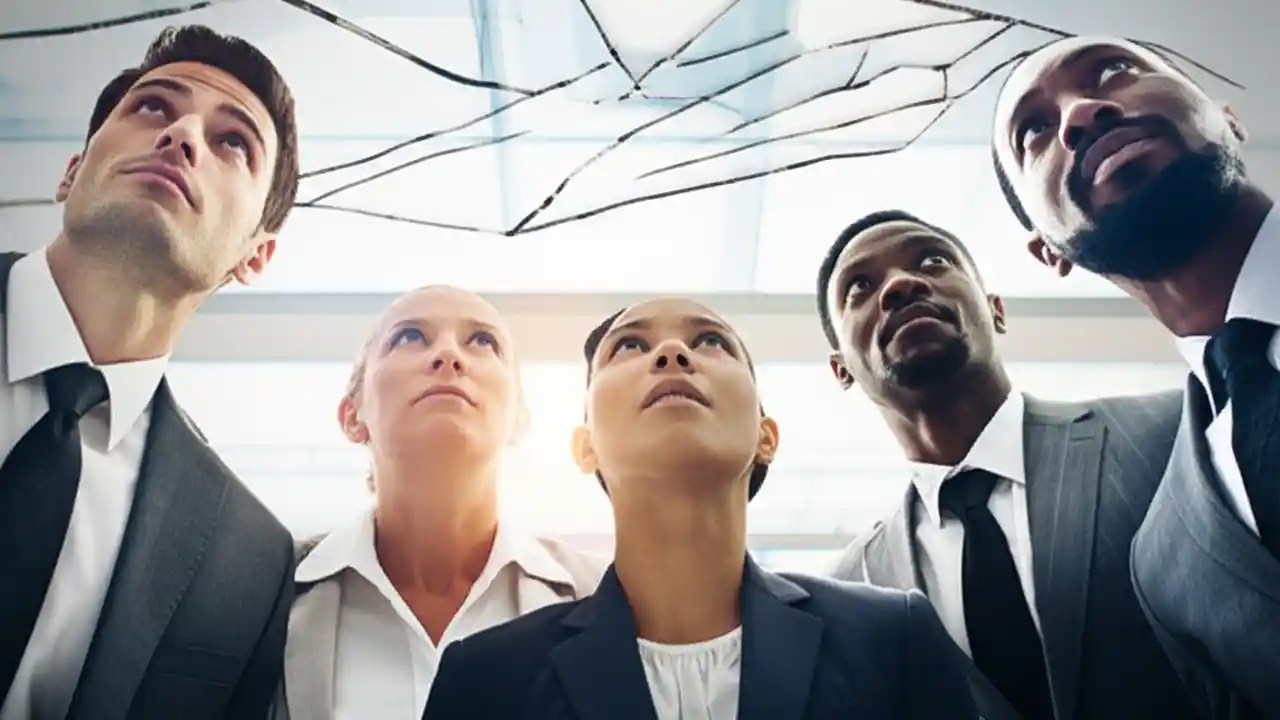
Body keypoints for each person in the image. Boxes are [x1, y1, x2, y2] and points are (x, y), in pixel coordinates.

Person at [421, 297, 978, 720]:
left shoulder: (891, 639)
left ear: (767, 435)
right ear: (585, 445)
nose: (672, 354)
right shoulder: (487, 679)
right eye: (630, 347)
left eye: (711, 342)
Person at [0, 25, 299, 719]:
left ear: (255, 255)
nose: (183, 135)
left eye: (234, 143)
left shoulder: (250, 560)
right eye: (154, 107)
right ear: (71, 172)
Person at [990, 35, 1280, 719]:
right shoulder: (1162, 562)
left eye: (1114, 70)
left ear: (1226, 115)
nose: (1081, 114)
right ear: (1045, 249)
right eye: (1034, 130)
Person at [818, 210, 1195, 720]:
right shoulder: (845, 593)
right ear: (842, 370)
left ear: (996, 311)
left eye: (932, 260)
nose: (901, 285)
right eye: (859, 287)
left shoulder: (1169, 432)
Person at [273, 285, 607, 719]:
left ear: (518, 418)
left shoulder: (602, 597)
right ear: (352, 415)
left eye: (483, 341)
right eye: (410, 337)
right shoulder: (270, 598)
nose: (449, 357)